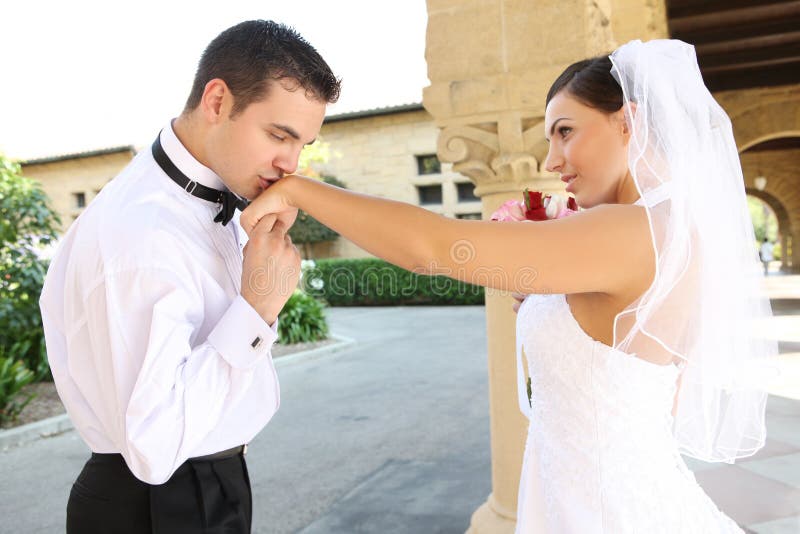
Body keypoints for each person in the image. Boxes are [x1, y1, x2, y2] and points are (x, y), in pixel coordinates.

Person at [241, 39, 776, 533]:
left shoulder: (629, 230)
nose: (551, 161)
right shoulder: (672, 231)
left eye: (565, 131)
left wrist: (300, 189)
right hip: (614, 494)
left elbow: (437, 247)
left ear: (627, 121)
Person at [39, 20, 339, 534]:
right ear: (218, 101)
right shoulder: (142, 233)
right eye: (278, 135)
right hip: (161, 505)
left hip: (203, 488)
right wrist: (258, 308)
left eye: (303, 145)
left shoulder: (208, 191)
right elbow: (154, 445)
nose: (291, 164)